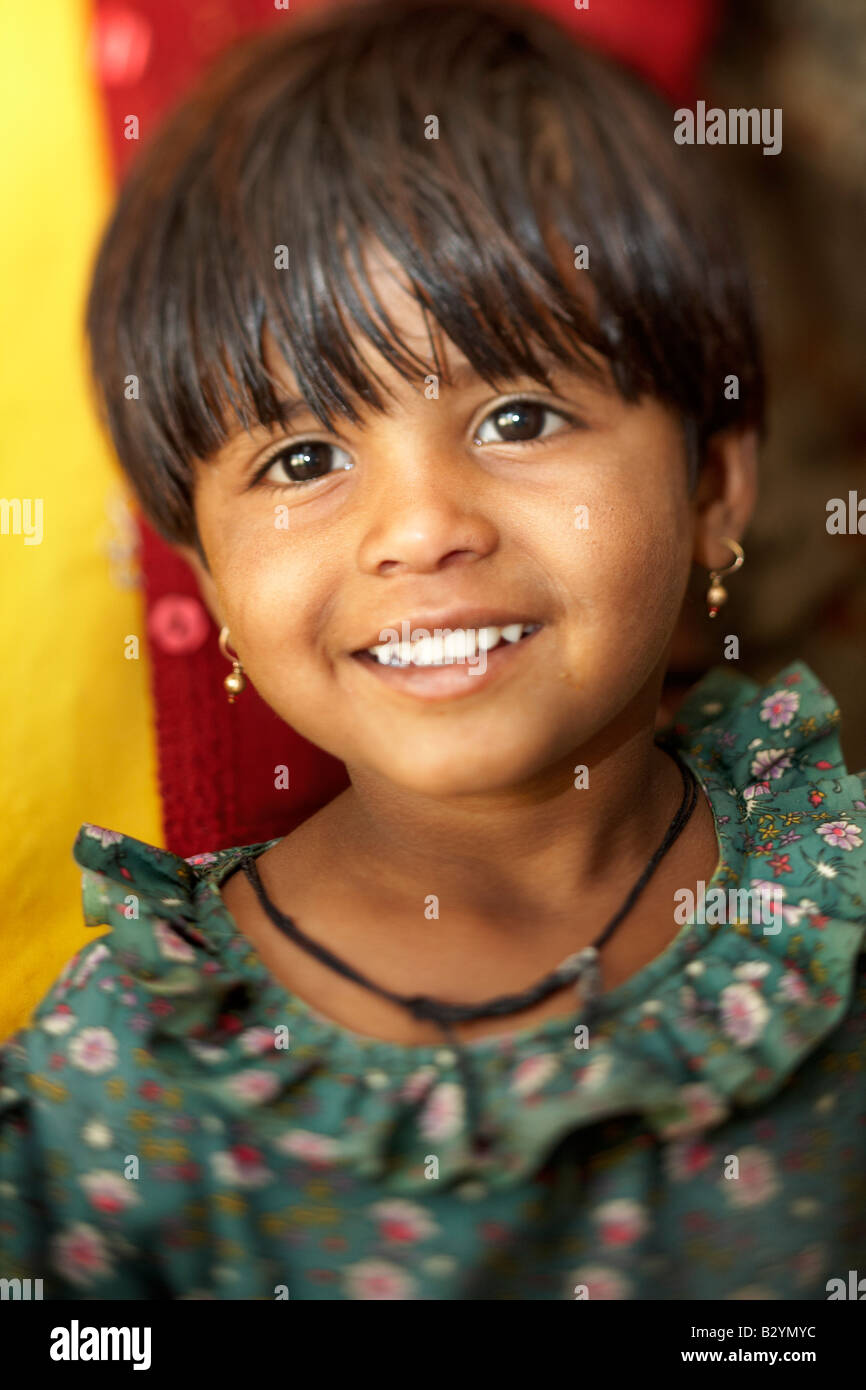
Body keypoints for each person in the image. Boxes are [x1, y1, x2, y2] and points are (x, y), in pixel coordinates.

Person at [2, 0, 863, 1300]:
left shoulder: (835, 903)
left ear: (711, 489)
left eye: (518, 416)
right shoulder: (121, 1074)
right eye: (303, 459)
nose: (420, 530)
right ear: (212, 585)